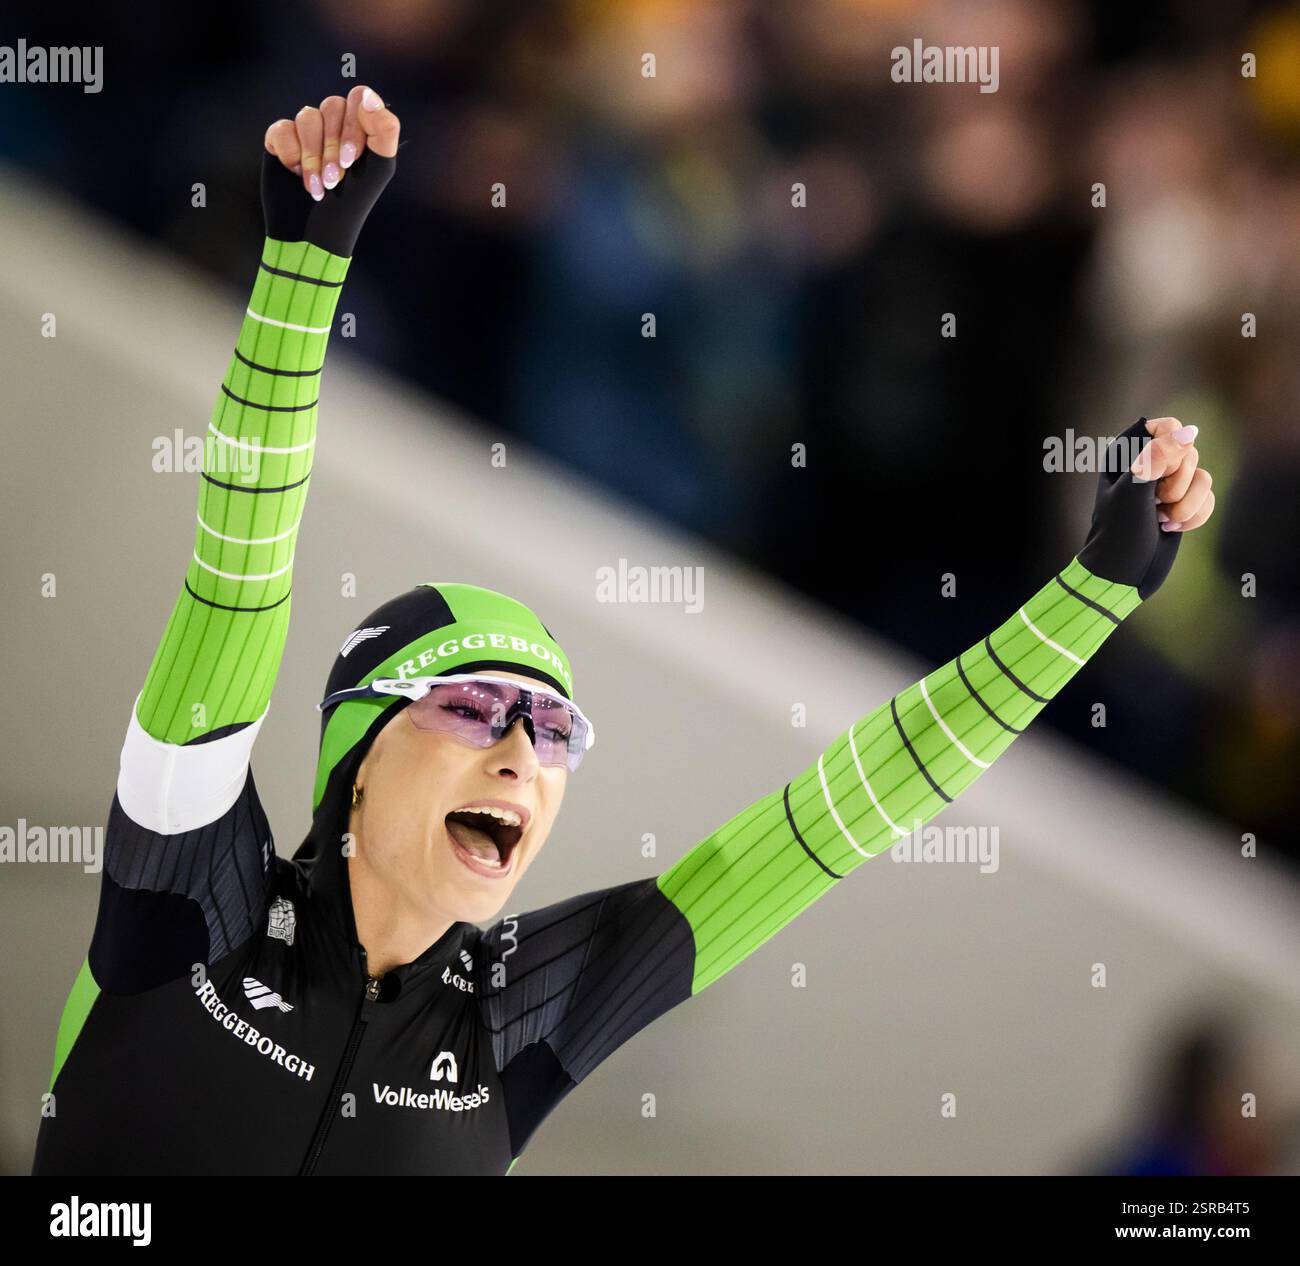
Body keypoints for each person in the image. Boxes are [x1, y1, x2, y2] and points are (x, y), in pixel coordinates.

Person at [31, 87, 1218, 1177]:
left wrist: (1094, 593)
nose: (519, 755)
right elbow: (235, 580)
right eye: (470, 707)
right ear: (356, 754)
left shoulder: (521, 1010)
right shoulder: (200, 897)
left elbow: (846, 813)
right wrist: (301, 267)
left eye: (553, 732)